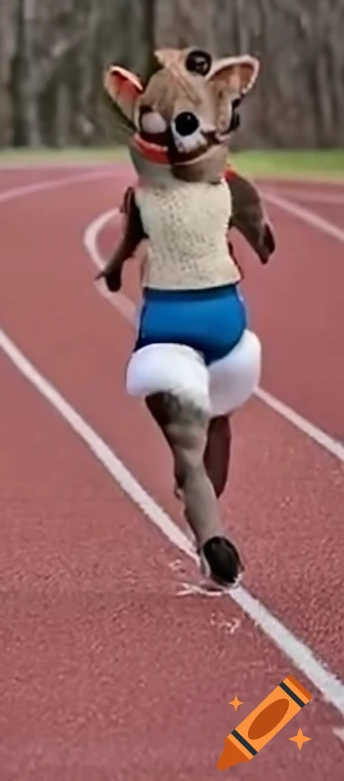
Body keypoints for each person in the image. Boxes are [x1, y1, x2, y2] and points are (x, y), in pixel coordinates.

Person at [96, 46, 275, 589]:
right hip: (226, 323)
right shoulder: (230, 188)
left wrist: (110, 273)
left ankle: (211, 537)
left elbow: (122, 253)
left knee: (185, 449)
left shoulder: (142, 197)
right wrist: (252, 233)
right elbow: (264, 243)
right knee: (216, 417)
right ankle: (207, 510)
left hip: (167, 328)